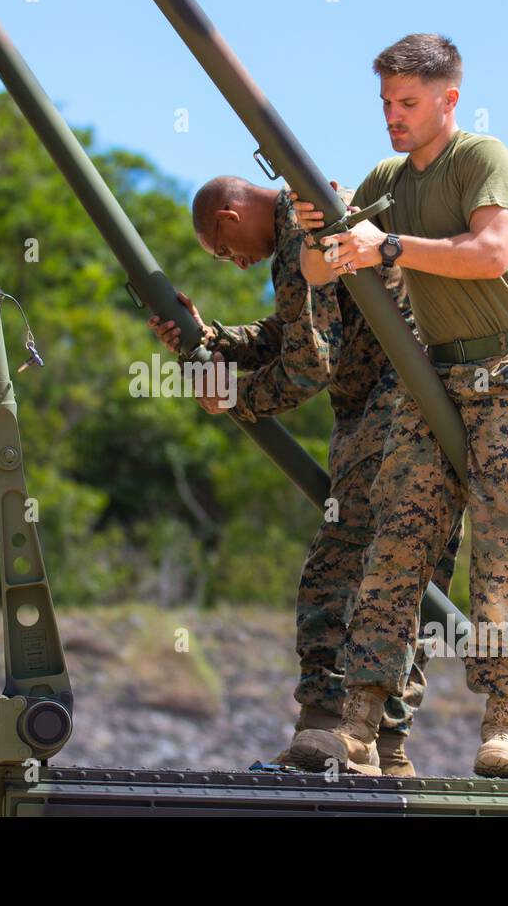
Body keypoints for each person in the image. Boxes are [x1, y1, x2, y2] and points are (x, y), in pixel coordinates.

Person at [289, 34, 508, 778]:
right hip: (433, 380)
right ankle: (358, 722)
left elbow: (489, 254)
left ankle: (503, 724)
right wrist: (318, 229)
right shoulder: (384, 177)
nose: (393, 116)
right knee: (396, 549)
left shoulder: (483, 158)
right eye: (385, 103)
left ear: (449, 99)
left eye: (408, 103)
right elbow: (325, 267)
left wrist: (385, 247)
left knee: (505, 561)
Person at [147, 175, 457, 774]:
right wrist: (210, 341)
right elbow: (290, 333)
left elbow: (309, 363)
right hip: (402, 408)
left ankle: (327, 725)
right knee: (405, 580)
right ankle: (384, 746)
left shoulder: (302, 228)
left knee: (339, 569)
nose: (235, 265)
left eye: (224, 249)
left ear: (231, 216)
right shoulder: (302, 227)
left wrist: (233, 397)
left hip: (397, 409)